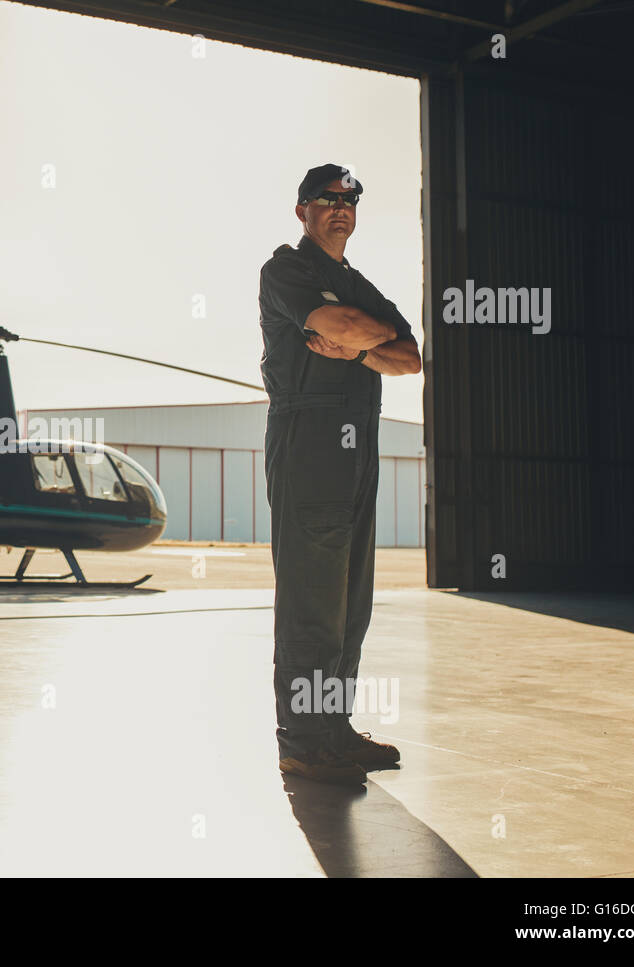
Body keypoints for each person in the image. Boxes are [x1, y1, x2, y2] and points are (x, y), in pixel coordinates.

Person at [258, 163, 422, 785]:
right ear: (302, 210)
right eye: (326, 199)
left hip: (359, 442)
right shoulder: (287, 270)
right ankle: (302, 739)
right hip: (310, 438)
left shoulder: (358, 284)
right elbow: (346, 326)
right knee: (311, 598)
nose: (340, 207)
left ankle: (335, 729)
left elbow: (409, 357)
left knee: (351, 597)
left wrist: (356, 345)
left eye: (349, 198)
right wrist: (362, 340)